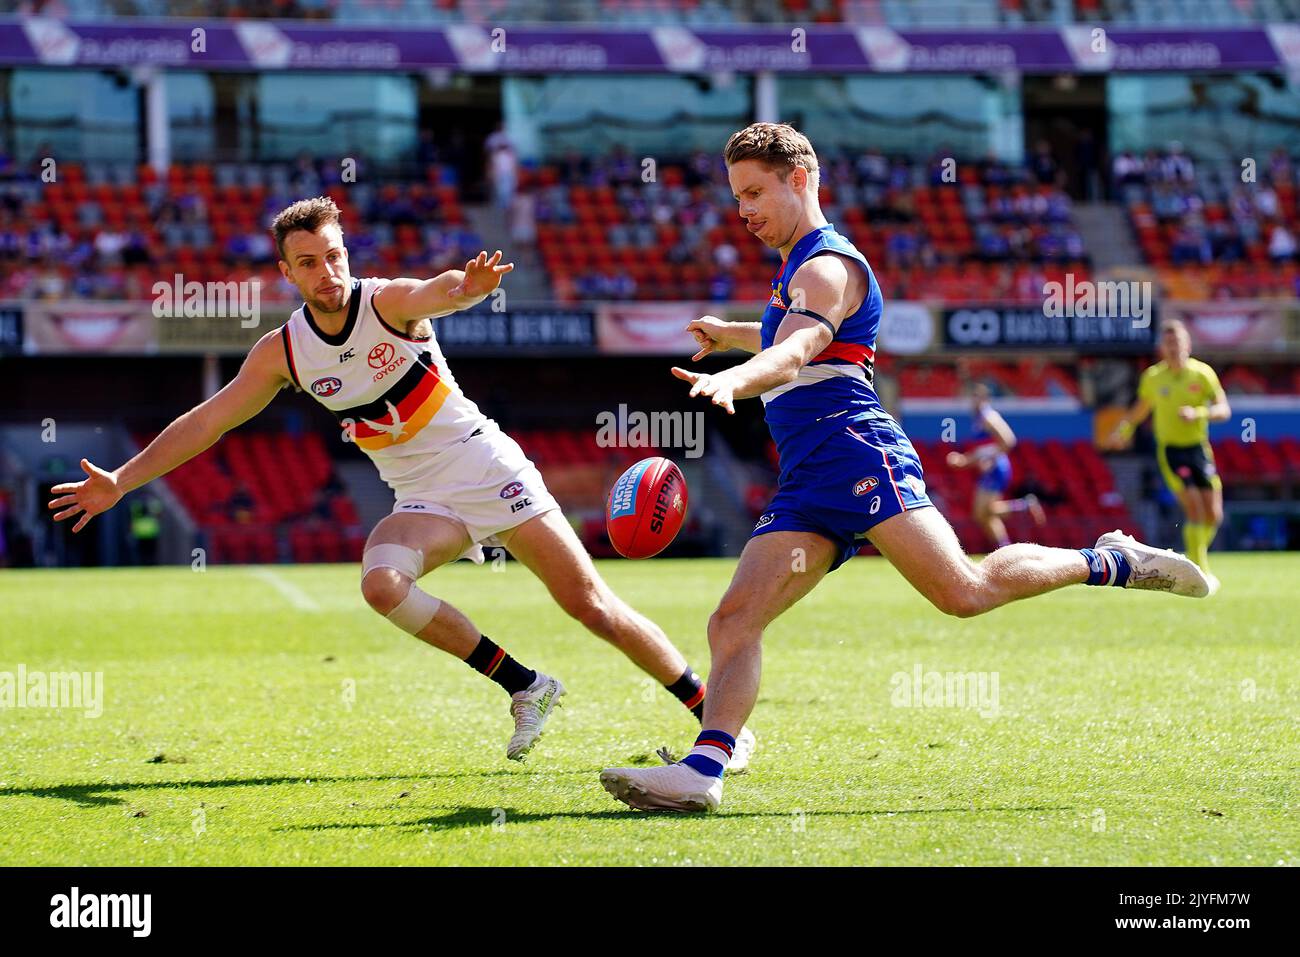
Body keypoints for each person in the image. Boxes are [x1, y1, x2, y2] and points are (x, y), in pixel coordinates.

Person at [599, 123, 1215, 813]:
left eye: (753, 192)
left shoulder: (826, 266)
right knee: (733, 620)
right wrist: (735, 334)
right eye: (736, 195)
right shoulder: (799, 269)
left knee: (963, 590)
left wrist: (738, 376)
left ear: (799, 180)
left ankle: (1111, 559)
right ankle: (706, 768)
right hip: (809, 477)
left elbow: (799, 348)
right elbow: (791, 328)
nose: (742, 210)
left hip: (858, 452)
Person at [48, 196, 751, 767]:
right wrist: (122, 478)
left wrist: (467, 289)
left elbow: (434, 291)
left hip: (485, 465)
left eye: (334, 256)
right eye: (308, 263)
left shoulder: (386, 304)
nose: (326, 272)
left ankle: (716, 720)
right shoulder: (282, 351)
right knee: (381, 582)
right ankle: (527, 685)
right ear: (286, 273)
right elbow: (208, 421)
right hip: (420, 496)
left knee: (590, 605)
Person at [1105, 319, 1231, 572]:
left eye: (1178, 342)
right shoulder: (1153, 377)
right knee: (1194, 508)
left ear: (1188, 345)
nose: (1174, 348)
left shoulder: (1202, 374)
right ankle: (1200, 567)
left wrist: (1198, 413)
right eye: (1169, 343)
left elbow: (1224, 410)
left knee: (1213, 515)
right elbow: (1140, 411)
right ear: (1162, 347)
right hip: (1171, 451)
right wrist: (1123, 430)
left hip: (1198, 448)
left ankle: (1195, 553)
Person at [945, 384, 1045, 550]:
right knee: (985, 514)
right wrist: (966, 460)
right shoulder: (979, 418)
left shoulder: (989, 417)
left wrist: (989, 459)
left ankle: (1025, 506)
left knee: (982, 512)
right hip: (992, 468)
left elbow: (1008, 440)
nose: (972, 401)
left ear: (984, 399)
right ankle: (1004, 547)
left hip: (996, 468)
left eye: (976, 397)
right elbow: (984, 449)